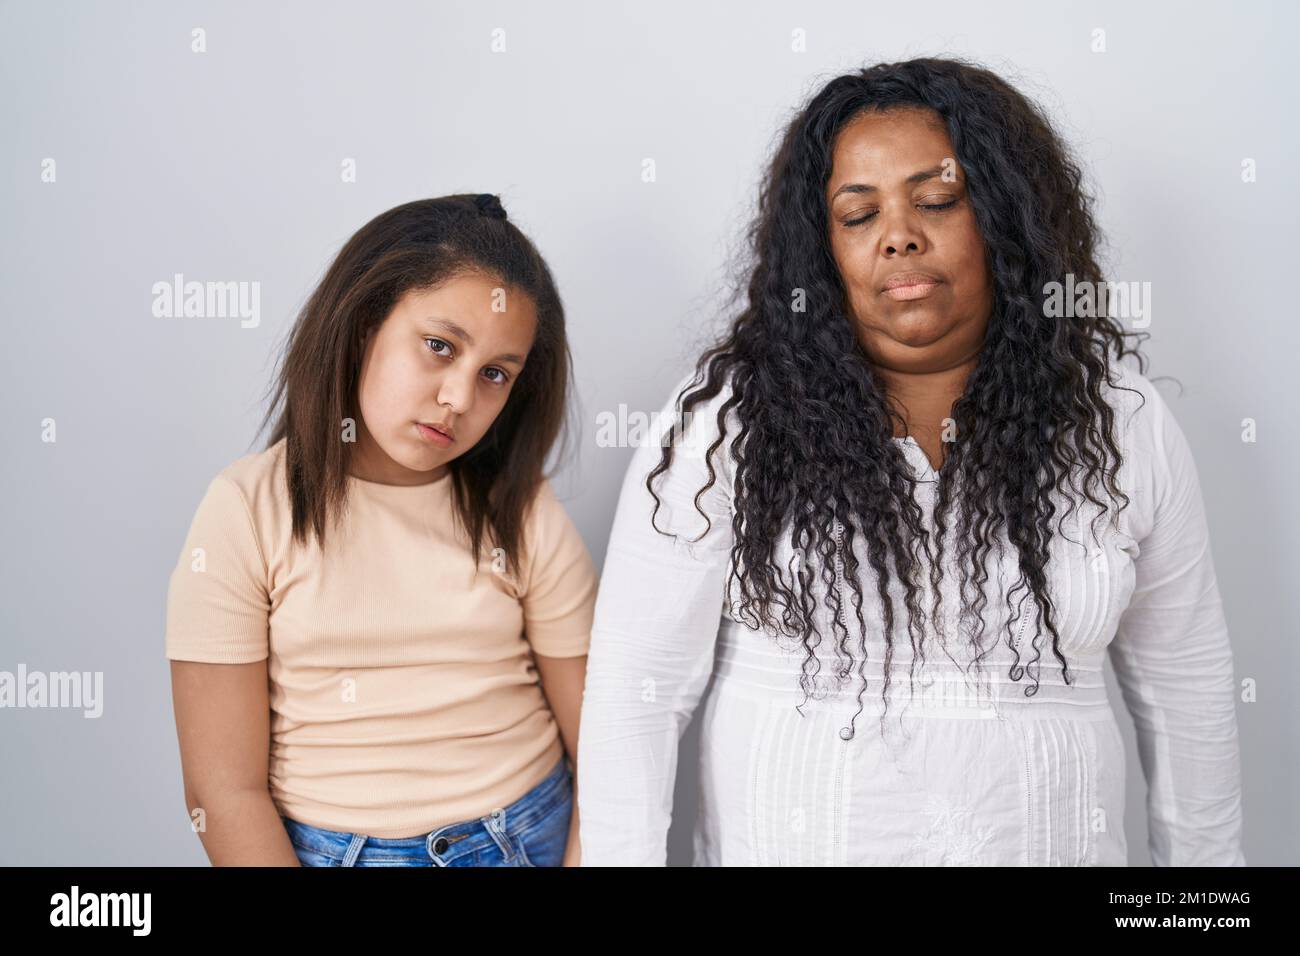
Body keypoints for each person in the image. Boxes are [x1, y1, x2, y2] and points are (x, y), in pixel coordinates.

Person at [577, 58, 1246, 866]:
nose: (899, 234)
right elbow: (636, 696)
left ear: (1006, 216)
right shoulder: (729, 420)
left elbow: (1189, 690)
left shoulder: (1120, 421)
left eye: (937, 200)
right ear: (823, 251)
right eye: (857, 216)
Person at [166, 193, 597, 867]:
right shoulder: (246, 511)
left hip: (525, 836)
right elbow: (223, 792)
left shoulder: (522, 510)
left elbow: (605, 743)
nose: (459, 397)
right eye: (438, 347)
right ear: (364, 323)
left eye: (494, 374)